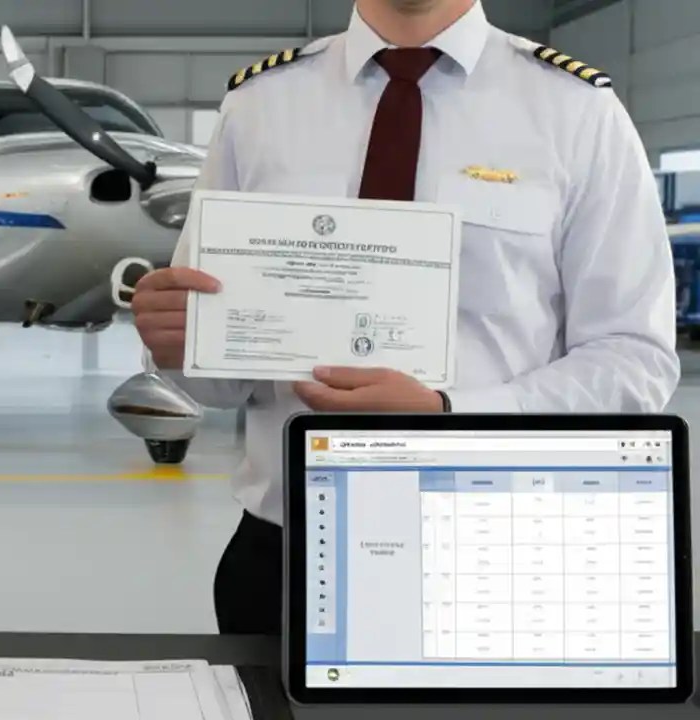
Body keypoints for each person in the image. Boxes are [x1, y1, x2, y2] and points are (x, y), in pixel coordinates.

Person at [130, 0, 680, 634]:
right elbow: (223, 377)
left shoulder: (578, 112)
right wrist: (178, 346)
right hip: (288, 559)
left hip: (495, 551)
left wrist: (449, 416)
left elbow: (633, 357)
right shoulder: (260, 106)